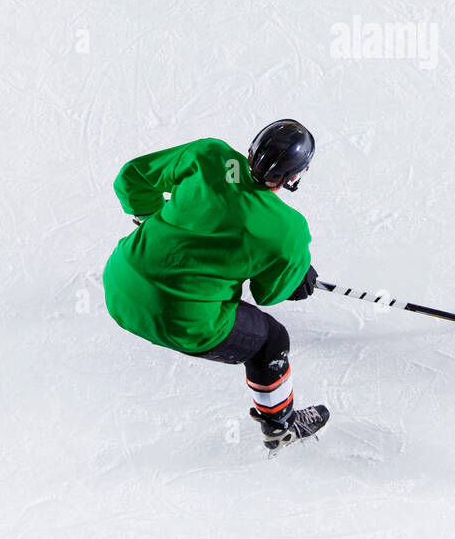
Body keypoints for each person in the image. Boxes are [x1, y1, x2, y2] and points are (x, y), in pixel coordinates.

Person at [101, 119, 329, 451]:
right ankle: (279, 427)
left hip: (120, 280)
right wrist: (294, 277)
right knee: (271, 340)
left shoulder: (210, 156)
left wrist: (156, 224)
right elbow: (269, 294)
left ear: (252, 148)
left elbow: (131, 179)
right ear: (293, 177)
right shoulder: (287, 232)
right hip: (177, 320)